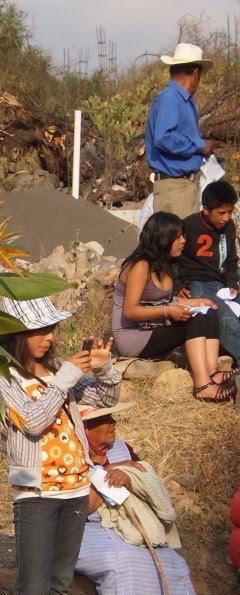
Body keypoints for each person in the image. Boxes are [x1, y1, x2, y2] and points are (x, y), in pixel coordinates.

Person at [0, 296, 122, 595]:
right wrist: (65, 378)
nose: (48, 337)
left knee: (59, 587)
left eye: (51, 329)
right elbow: (32, 420)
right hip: (36, 496)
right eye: (39, 330)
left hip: (76, 491)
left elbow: (105, 397)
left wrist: (104, 367)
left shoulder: (57, 372)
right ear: (19, 335)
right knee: (32, 591)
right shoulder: (1, 377)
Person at [75, 403, 203, 595]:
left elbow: (145, 480)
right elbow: (81, 509)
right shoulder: (71, 455)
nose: (113, 423)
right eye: (105, 419)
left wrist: (129, 478)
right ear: (86, 429)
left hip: (129, 526)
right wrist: (108, 474)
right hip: (86, 529)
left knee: (170, 559)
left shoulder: (122, 449)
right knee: (120, 559)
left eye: (112, 417)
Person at [112, 211, 234, 402]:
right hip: (134, 337)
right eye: (178, 237)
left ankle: (212, 373)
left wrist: (198, 302)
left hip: (153, 328)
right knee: (195, 319)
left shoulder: (163, 264)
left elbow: (164, 301)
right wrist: (168, 311)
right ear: (163, 239)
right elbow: (130, 311)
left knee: (208, 311)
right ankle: (202, 386)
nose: (183, 240)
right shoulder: (140, 266)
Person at [145, 43, 214, 218]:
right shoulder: (170, 98)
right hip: (175, 188)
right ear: (195, 73)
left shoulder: (182, 100)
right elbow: (164, 138)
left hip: (184, 186)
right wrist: (199, 146)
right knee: (180, 234)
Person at [178, 180, 240, 365]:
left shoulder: (229, 227)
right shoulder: (188, 225)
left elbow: (231, 260)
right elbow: (172, 258)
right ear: (206, 209)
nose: (226, 218)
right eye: (221, 213)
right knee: (224, 317)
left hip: (221, 283)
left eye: (230, 212)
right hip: (196, 282)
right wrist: (177, 284)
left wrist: (233, 283)